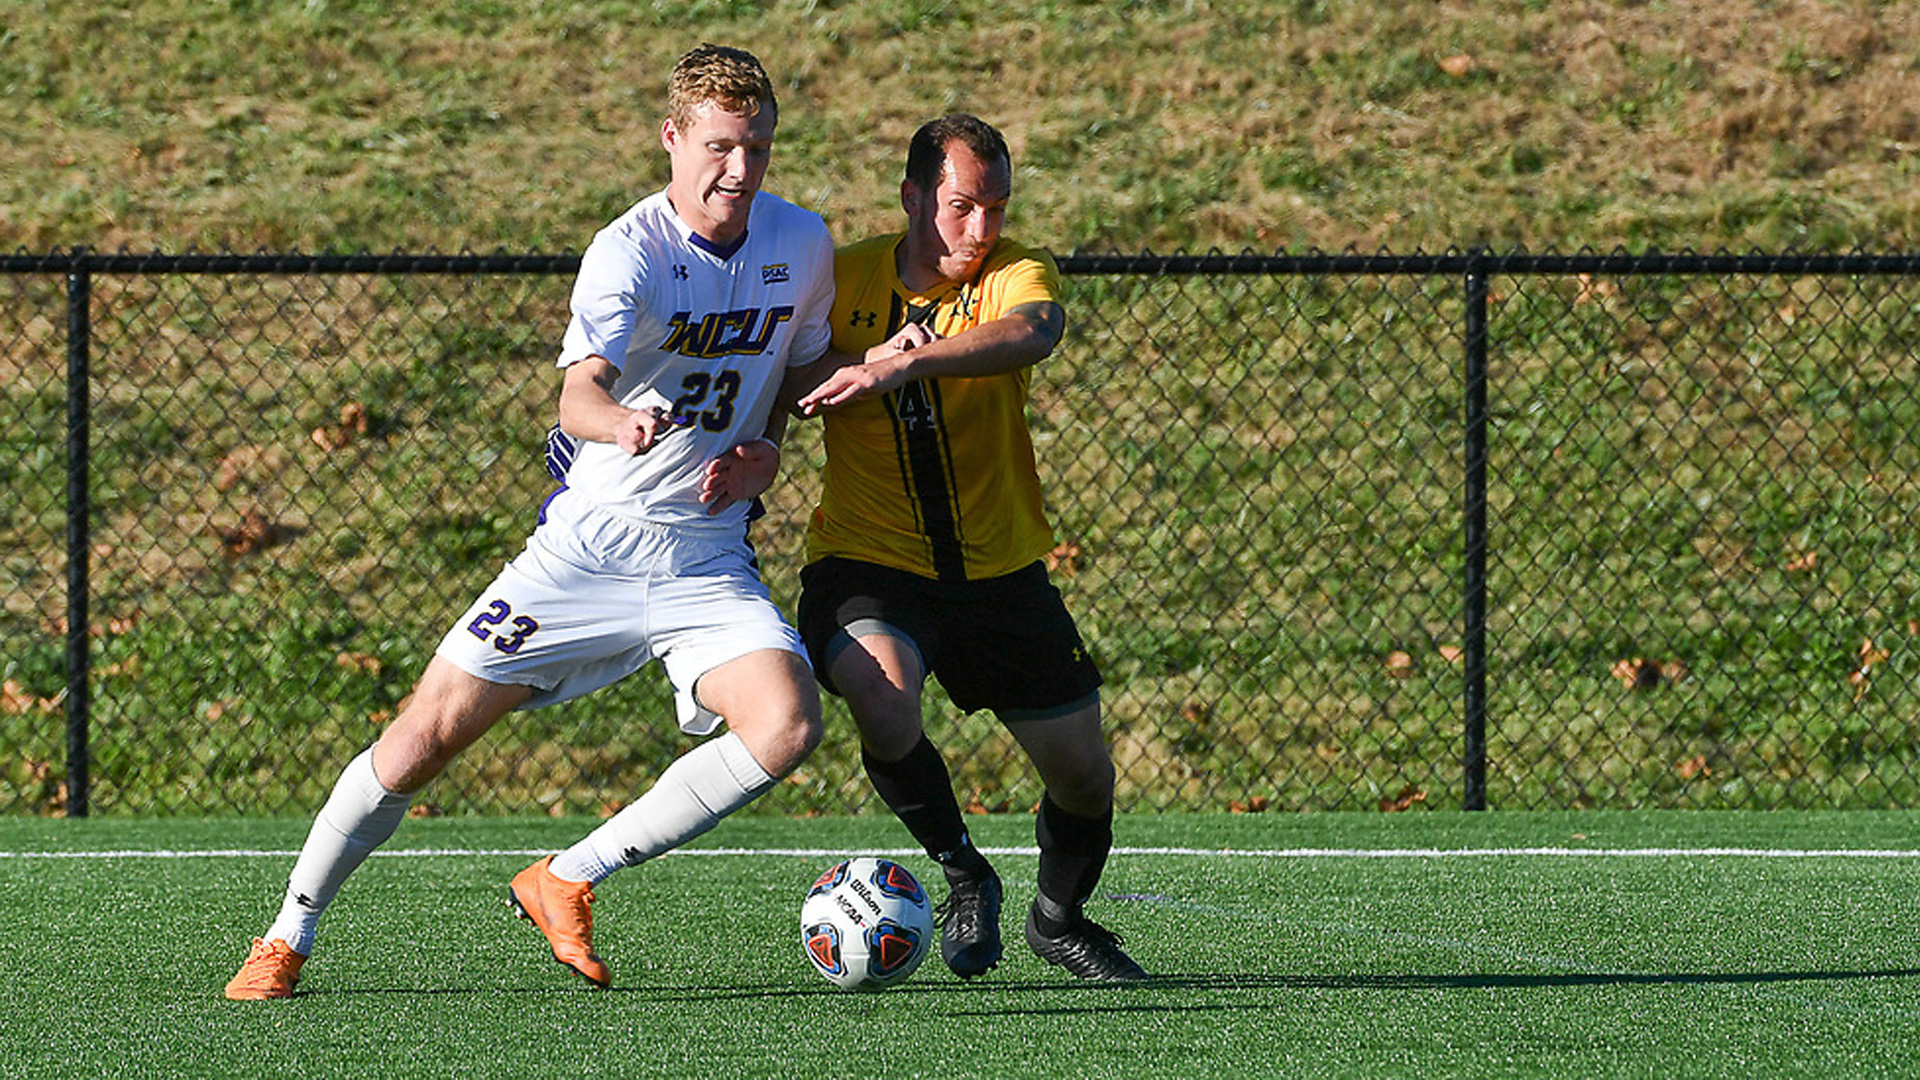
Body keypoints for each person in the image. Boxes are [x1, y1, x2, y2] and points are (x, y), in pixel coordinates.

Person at [224, 43, 834, 999]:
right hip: (588, 548)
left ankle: (567, 877)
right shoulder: (629, 249)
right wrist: (621, 420)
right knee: (422, 738)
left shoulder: (802, 242)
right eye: (719, 146)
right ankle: (286, 935)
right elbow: (576, 398)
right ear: (672, 138)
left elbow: (794, 374)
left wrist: (771, 447)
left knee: (788, 723)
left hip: (705, 556)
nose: (740, 170)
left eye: (757, 146)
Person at [791, 113, 1146, 982]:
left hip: (998, 569)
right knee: (883, 696)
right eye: (960, 207)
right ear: (913, 197)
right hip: (869, 560)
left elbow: (1035, 331)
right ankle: (962, 871)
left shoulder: (1016, 270)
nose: (980, 230)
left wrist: (919, 359)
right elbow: (784, 377)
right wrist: (864, 356)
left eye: (995, 207)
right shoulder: (842, 279)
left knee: (1085, 777)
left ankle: (1059, 921)